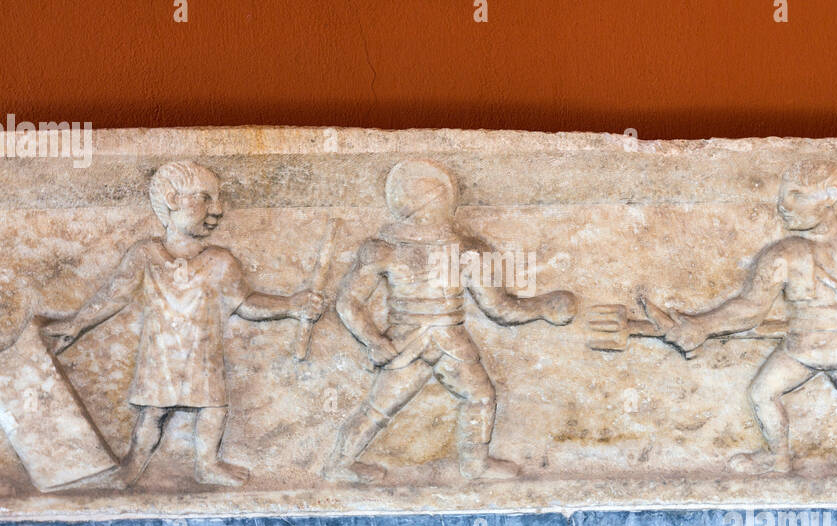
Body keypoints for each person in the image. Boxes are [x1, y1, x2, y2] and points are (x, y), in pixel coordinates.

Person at [42, 160, 324, 488]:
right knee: (152, 413)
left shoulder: (221, 261)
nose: (217, 210)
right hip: (160, 354)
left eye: (218, 201)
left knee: (214, 409)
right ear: (173, 199)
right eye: (206, 198)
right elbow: (113, 296)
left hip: (203, 355)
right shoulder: (146, 255)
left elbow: (246, 303)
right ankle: (132, 466)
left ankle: (207, 463)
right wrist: (76, 323)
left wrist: (290, 305)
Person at [648, 159, 837, 475]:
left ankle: (778, 456)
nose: (782, 205)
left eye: (796, 195)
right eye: (783, 194)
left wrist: (703, 325)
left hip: (813, 351)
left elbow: (750, 310)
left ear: (830, 197)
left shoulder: (788, 254)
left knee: (763, 394)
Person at [324, 159, 577, 483]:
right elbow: (348, 301)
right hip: (406, 343)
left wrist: (542, 306)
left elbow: (498, 307)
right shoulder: (383, 250)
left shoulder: (466, 250)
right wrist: (374, 340)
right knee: (378, 409)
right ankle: (338, 464)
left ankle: (475, 464)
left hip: (450, 343)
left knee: (481, 396)